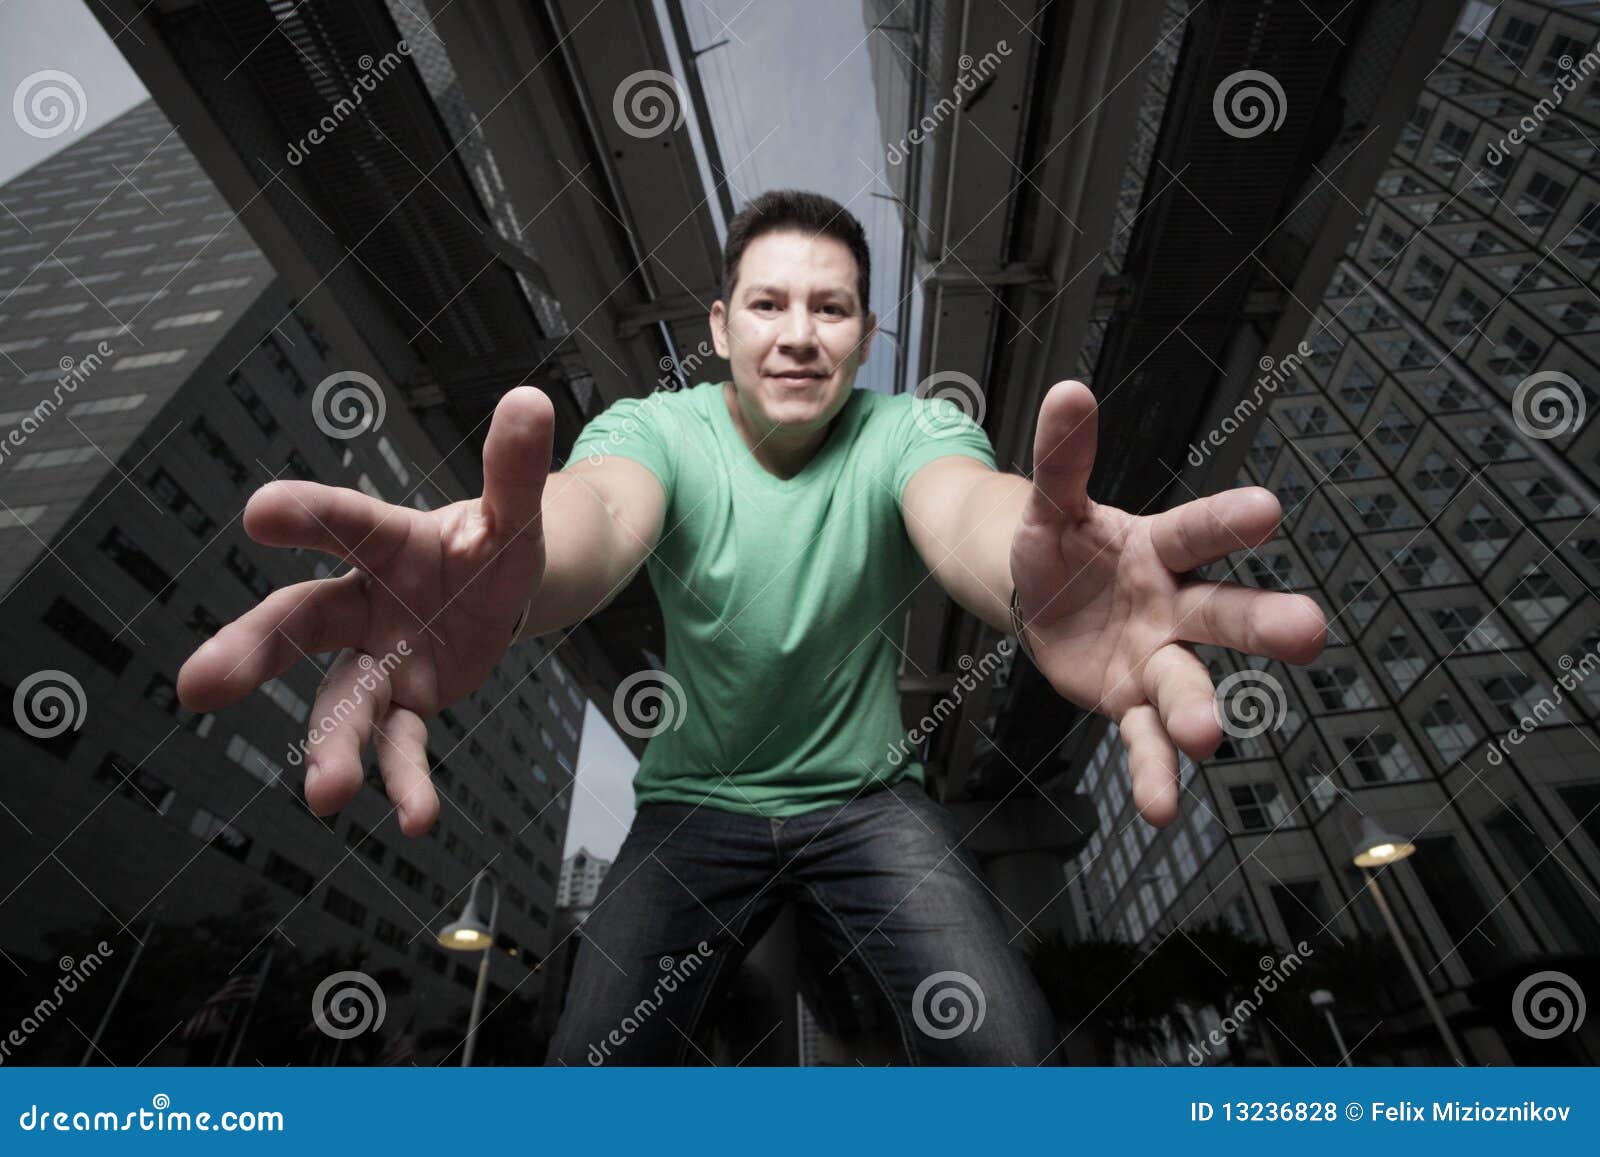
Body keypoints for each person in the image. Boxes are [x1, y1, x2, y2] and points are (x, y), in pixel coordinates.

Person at [176, 189, 1325, 1065]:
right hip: (693, 809)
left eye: (828, 307)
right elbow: (596, 515)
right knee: (595, 1064)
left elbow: (967, 514)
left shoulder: (908, 430)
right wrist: (511, 576)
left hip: (869, 802)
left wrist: (1035, 586)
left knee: (1003, 1052)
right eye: (768, 304)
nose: (797, 333)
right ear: (722, 325)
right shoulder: (657, 427)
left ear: (866, 333)